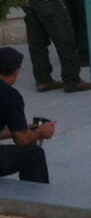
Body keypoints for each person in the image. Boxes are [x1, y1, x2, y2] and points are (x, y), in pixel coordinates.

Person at [0, 47, 54, 183]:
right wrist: (41, 133)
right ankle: (37, 202)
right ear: (16, 71)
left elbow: (17, 134)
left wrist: (17, 130)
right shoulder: (10, 95)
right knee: (34, 154)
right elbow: (22, 140)